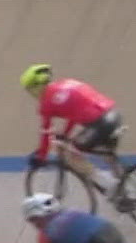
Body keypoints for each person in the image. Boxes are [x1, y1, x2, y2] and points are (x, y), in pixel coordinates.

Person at [20, 64, 124, 193]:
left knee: (70, 153)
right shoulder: (67, 83)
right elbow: (73, 113)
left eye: (30, 90)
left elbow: (46, 133)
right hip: (113, 115)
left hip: (100, 124)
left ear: (37, 86)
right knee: (106, 152)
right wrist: (65, 134)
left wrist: (41, 157)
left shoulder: (46, 102)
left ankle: (109, 184)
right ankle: (124, 186)